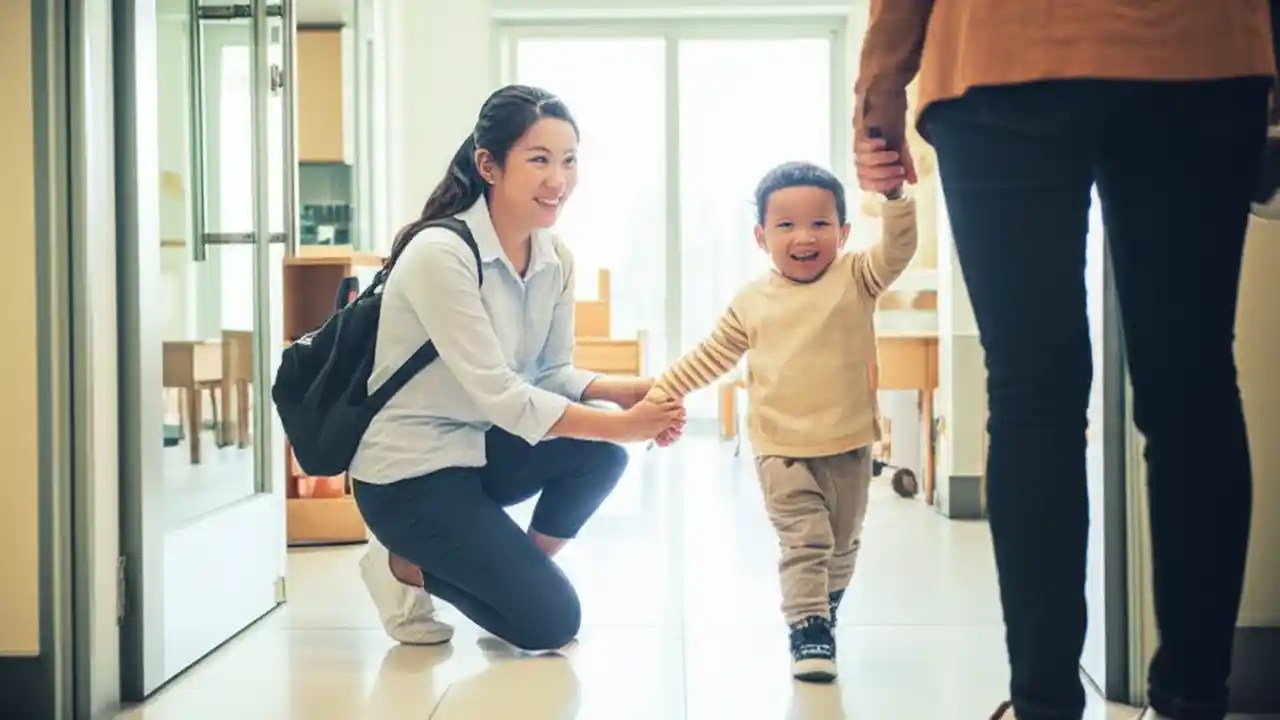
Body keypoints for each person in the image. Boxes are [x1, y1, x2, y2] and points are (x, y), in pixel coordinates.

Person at [853, 3, 1276, 719]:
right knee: (1192, 385)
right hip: (1198, 55)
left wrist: (879, 90)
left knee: (1030, 397)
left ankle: (1044, 705)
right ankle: (1192, 702)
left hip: (1002, 53)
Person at [351, 84, 685, 652]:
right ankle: (403, 564)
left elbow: (550, 371)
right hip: (408, 476)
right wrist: (626, 425)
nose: (559, 179)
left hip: (479, 451)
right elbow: (503, 396)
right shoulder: (441, 254)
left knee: (599, 455)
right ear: (489, 164)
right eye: (539, 159)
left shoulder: (554, 256)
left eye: (569, 160)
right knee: (551, 623)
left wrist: (632, 393)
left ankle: (510, 575)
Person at [643, 159, 918, 681]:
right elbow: (711, 354)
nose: (803, 237)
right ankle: (807, 626)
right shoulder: (752, 301)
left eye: (819, 223)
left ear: (843, 231)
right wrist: (663, 390)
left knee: (842, 542)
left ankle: (824, 604)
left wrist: (895, 198)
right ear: (760, 235)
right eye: (785, 225)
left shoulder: (857, 276)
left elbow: (899, 250)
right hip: (782, 447)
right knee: (805, 539)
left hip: (849, 442)